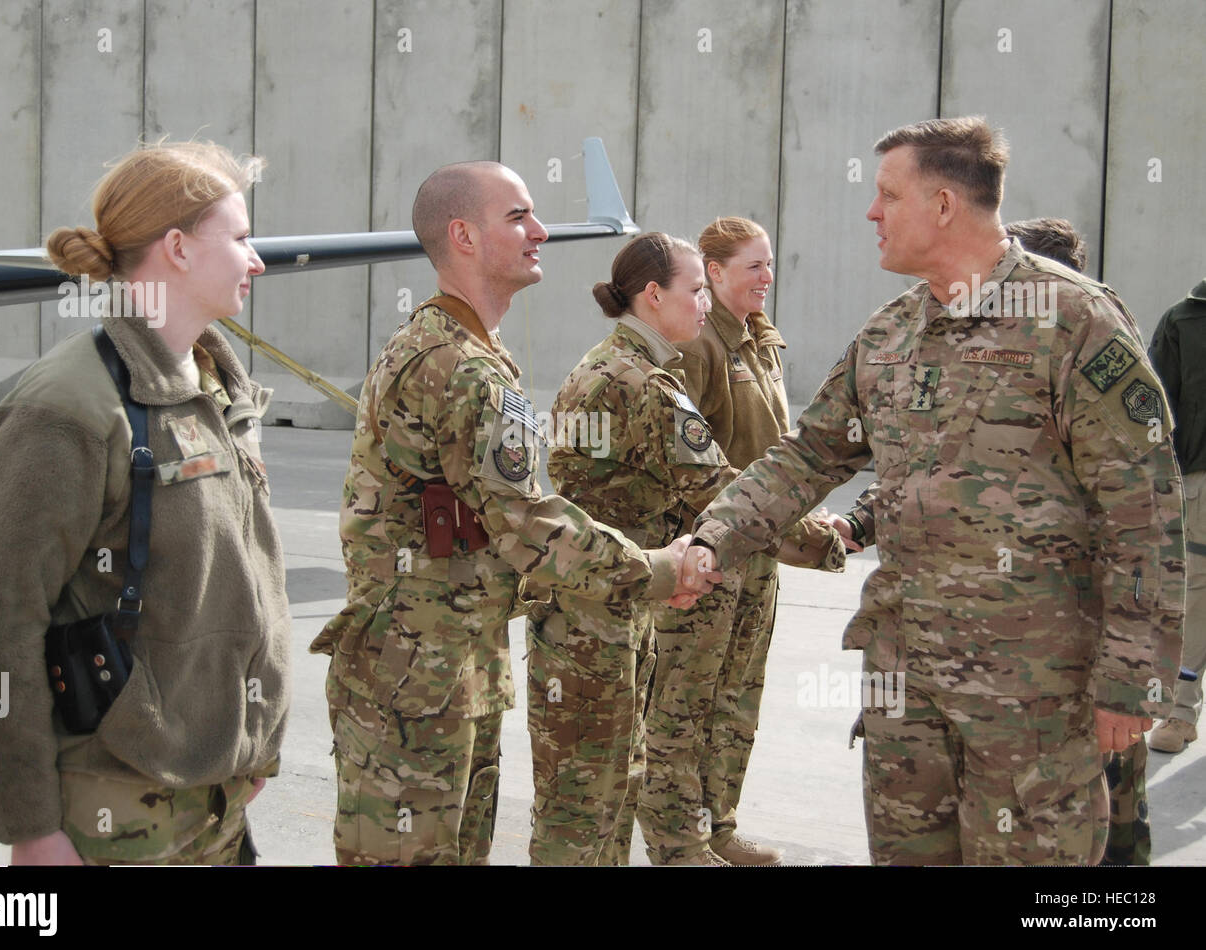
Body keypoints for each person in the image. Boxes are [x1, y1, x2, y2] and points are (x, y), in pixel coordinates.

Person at [681, 116, 1184, 865]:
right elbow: (808, 455)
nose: (870, 212)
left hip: (1033, 703)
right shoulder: (889, 336)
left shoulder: (1073, 321)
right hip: (906, 693)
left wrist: (1132, 676)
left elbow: (1143, 510)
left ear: (943, 205)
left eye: (888, 194)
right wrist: (711, 540)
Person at [309, 164, 717, 866]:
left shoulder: (464, 353)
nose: (541, 231)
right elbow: (529, 524)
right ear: (463, 236)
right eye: (519, 217)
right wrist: (656, 568)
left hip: (446, 667)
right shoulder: (458, 365)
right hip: (418, 683)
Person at [0, 140, 288, 865]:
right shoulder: (67, 409)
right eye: (243, 239)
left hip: (214, 803)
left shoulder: (213, 387)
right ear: (179, 249)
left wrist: (249, 750)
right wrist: (30, 828)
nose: (258, 260)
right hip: (114, 818)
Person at [529, 233, 743, 866]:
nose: (706, 303)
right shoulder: (647, 385)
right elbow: (720, 489)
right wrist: (831, 535)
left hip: (585, 605)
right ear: (654, 295)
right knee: (590, 804)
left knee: (587, 796)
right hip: (606, 613)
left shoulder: (597, 365)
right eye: (696, 289)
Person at [638, 217, 844, 866]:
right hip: (709, 557)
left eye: (770, 264)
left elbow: (770, 457)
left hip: (760, 555)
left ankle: (715, 826)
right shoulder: (695, 352)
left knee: (735, 701)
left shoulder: (761, 342)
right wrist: (809, 534)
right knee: (682, 707)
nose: (767, 278)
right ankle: (678, 845)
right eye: (752, 266)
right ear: (715, 273)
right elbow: (700, 473)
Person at [1148, 276, 1206, 758]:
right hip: (1200, 481)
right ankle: (1181, 712)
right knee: (1196, 594)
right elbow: (1154, 406)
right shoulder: (1184, 321)